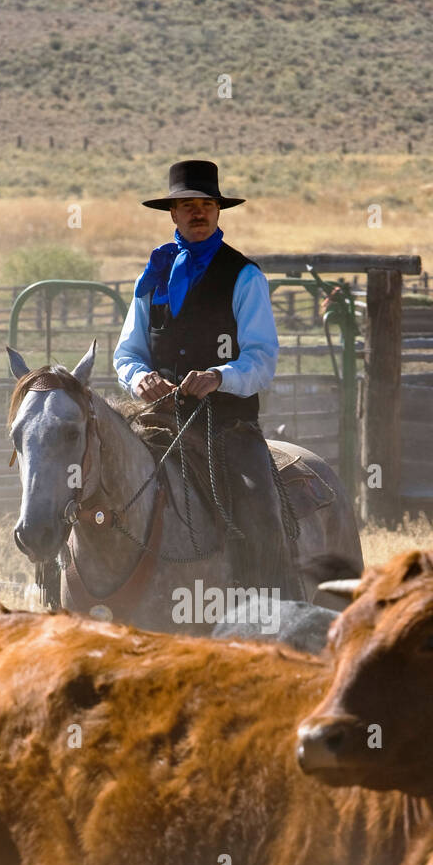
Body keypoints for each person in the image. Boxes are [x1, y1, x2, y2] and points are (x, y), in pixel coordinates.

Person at [113, 159, 301, 597]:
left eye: (207, 204)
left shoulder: (244, 275)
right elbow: (127, 352)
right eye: (188, 204)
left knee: (260, 509)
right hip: (157, 423)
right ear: (173, 214)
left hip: (229, 427)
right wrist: (139, 378)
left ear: (218, 211)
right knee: (96, 486)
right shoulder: (153, 274)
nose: (198, 212)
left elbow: (262, 359)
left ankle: (274, 604)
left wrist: (220, 376)